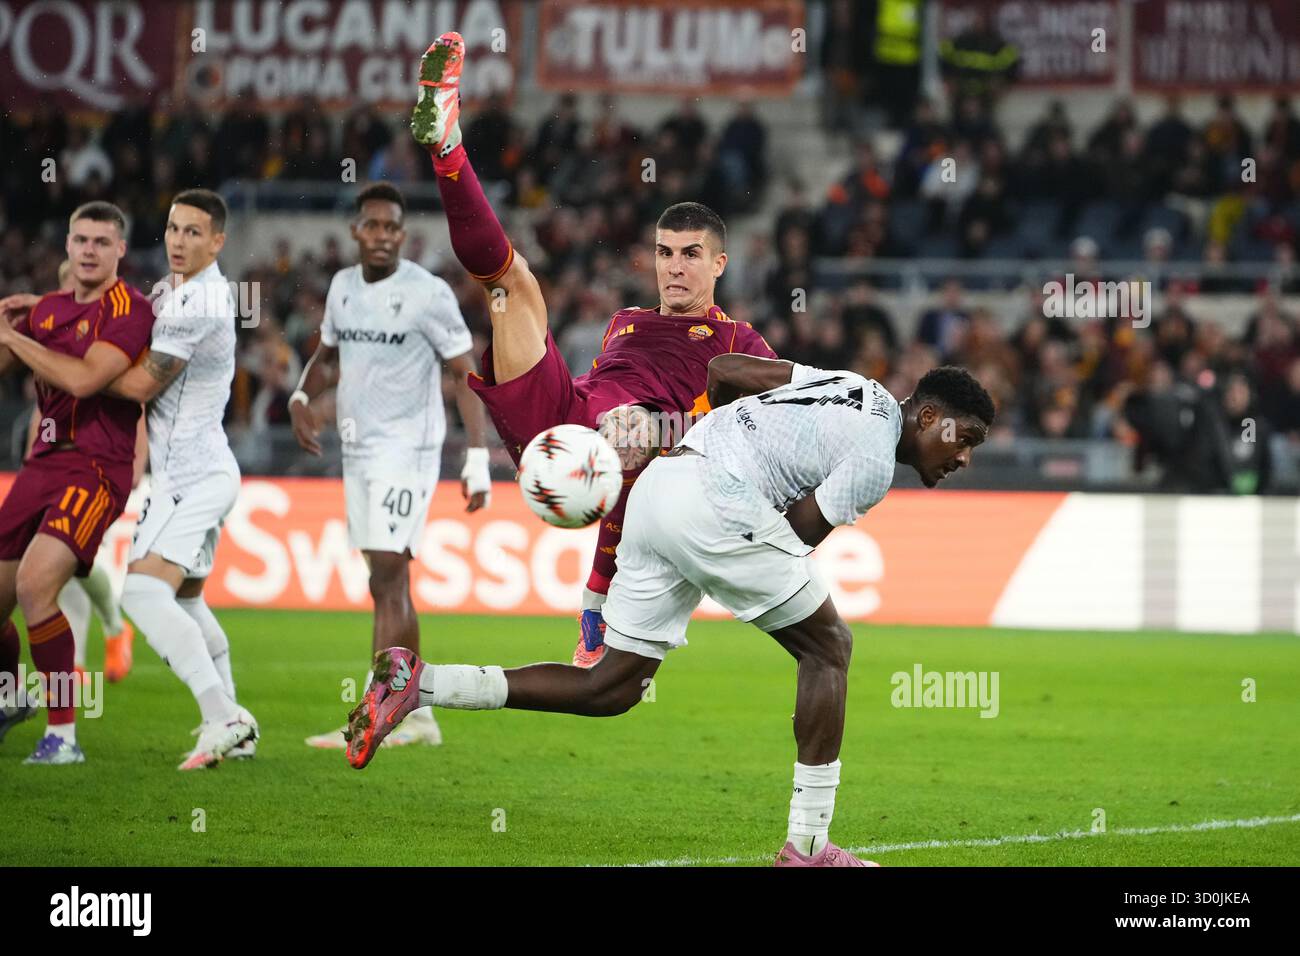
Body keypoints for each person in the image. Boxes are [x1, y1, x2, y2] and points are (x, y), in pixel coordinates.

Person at [347, 359, 994, 866]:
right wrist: (730, 525)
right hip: (717, 504)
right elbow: (795, 538)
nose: (962, 457)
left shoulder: (854, 386)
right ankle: (807, 848)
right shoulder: (875, 461)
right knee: (828, 648)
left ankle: (417, 683)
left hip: (661, 484)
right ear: (929, 413)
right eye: (963, 438)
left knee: (612, 687)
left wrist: (713, 430)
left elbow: (730, 371)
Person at [410, 32, 778, 667]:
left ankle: (593, 617)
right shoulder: (625, 321)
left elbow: (756, 436)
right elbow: (606, 396)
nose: (675, 268)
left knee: (636, 463)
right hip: (568, 423)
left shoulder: (739, 343)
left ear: (719, 262)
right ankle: (448, 147)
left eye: (691, 255)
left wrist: (664, 430)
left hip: (632, 457)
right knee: (511, 284)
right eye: (665, 253)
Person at [291, 181, 491, 751]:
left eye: (392, 227)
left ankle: (375, 715)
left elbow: (464, 373)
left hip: (410, 450)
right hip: (359, 452)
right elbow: (325, 358)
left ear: (403, 235)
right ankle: (416, 713)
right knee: (385, 580)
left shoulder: (426, 293)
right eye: (372, 226)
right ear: (355, 231)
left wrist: (476, 455)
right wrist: (301, 399)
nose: (382, 236)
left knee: (386, 570)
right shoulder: (341, 289)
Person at [107, 189, 258, 769]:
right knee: (188, 601)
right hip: (200, 470)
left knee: (143, 594)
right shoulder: (180, 293)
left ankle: (221, 716)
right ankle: (236, 729)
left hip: (191, 477)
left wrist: (74, 363)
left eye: (194, 232)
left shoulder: (198, 302)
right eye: (172, 228)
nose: (178, 240)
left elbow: (138, 386)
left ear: (218, 241)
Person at [0, 202, 154, 764]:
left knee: (37, 586)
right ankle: (11, 693)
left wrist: (14, 339)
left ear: (120, 251)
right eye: (80, 240)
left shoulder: (130, 310)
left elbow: (88, 380)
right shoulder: (48, 311)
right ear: (66, 246)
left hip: (96, 465)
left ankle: (62, 736)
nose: (89, 250)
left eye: (101, 242)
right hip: (40, 462)